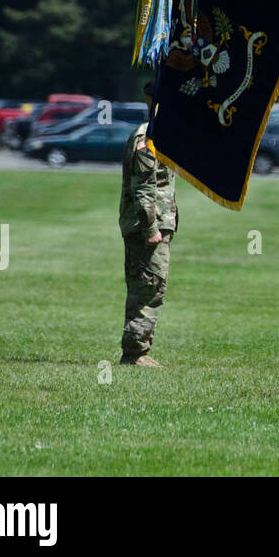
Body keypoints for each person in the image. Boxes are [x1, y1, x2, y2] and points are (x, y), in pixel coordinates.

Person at [118, 82, 177, 368]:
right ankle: (134, 352)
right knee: (148, 287)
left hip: (153, 225)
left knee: (149, 285)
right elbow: (143, 189)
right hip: (146, 228)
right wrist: (151, 228)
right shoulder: (148, 138)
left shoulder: (159, 133)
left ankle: (138, 349)